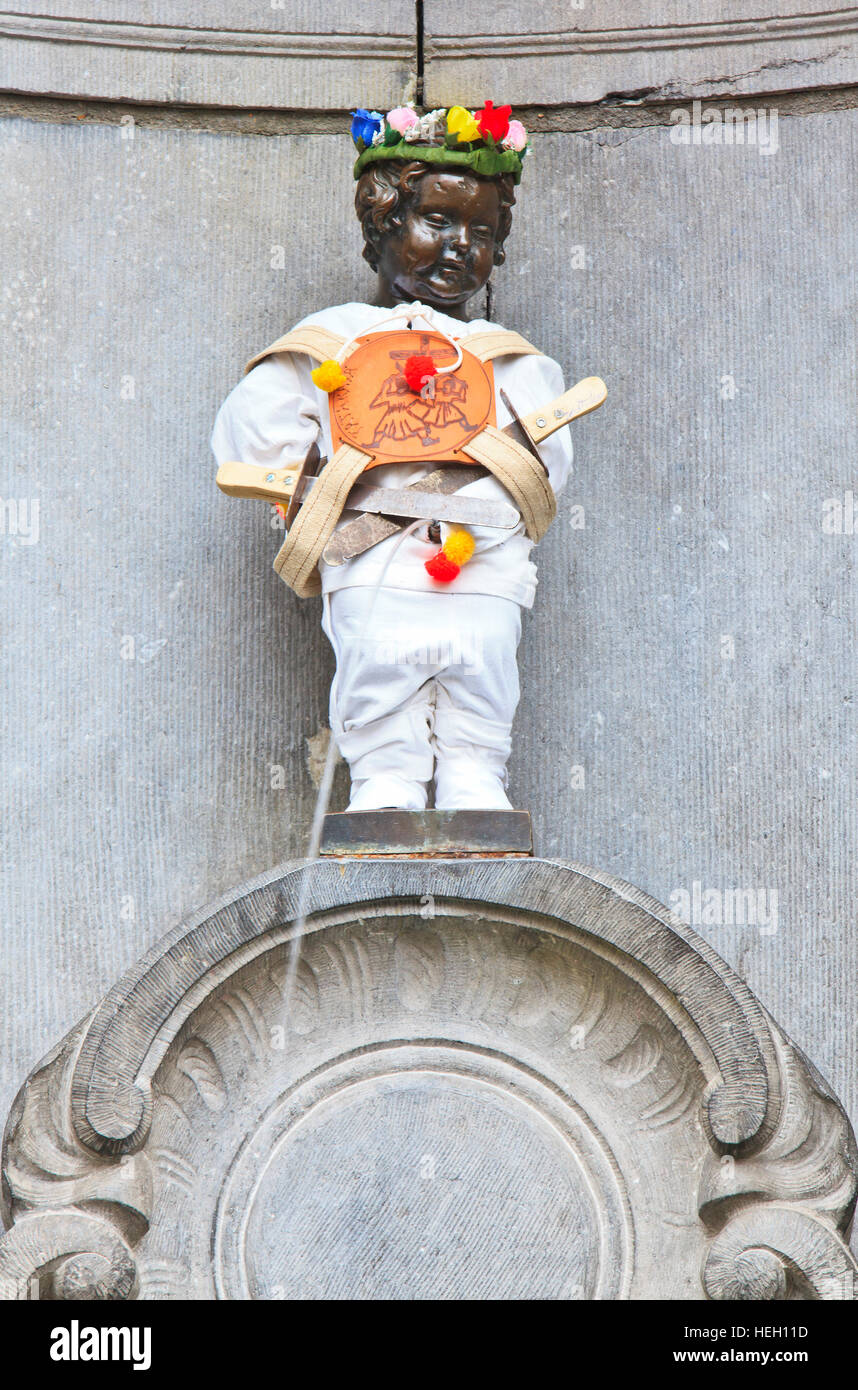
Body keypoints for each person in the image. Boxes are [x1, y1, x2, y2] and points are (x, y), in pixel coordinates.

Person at [211, 103, 574, 813]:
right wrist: (307, 487)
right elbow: (253, 434)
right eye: (436, 221)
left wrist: (505, 485)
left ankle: (476, 782)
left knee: (486, 664)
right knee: (376, 666)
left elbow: (546, 473)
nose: (458, 246)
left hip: (479, 556)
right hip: (370, 556)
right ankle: (384, 785)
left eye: (481, 232)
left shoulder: (511, 360)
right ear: (382, 223)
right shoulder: (332, 341)